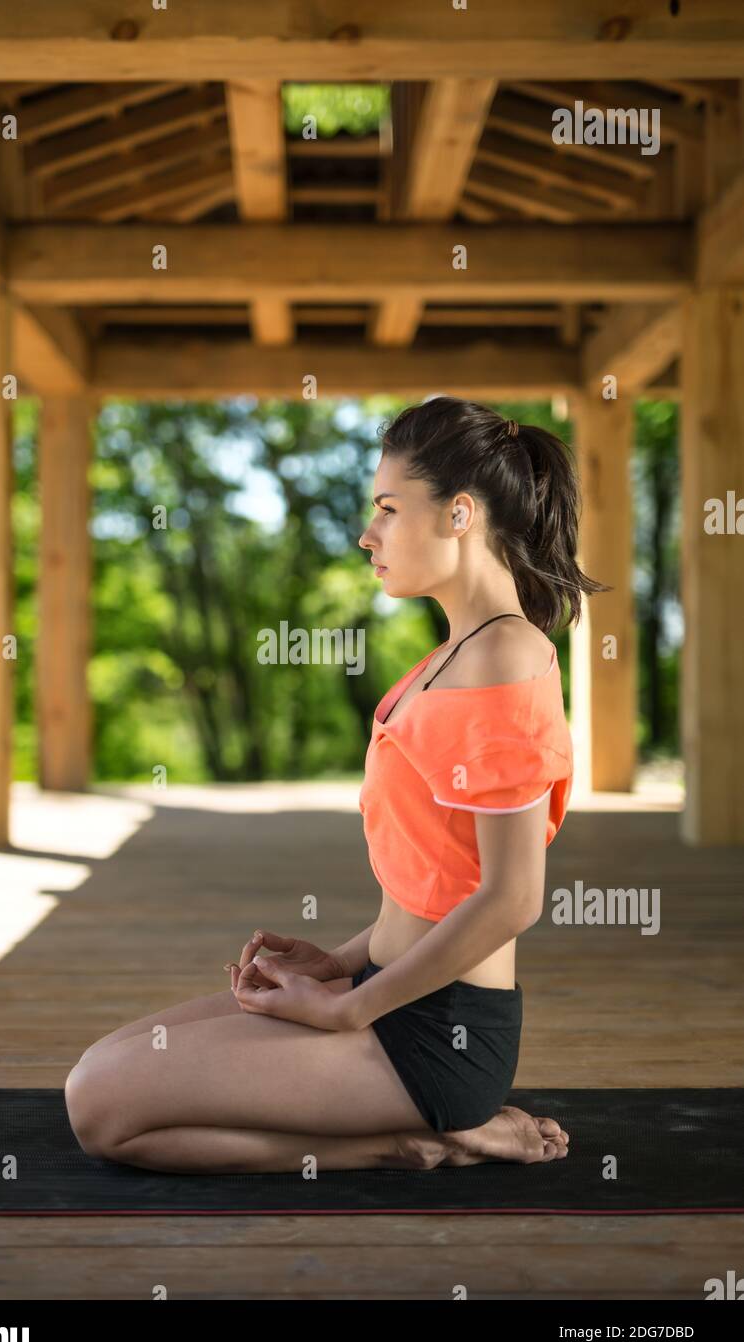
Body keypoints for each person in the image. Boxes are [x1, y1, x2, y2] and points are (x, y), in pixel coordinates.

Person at [65, 396, 608, 1175]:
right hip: (385, 988)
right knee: (108, 1061)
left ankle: (410, 1139)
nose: (368, 533)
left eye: (389, 509)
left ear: (459, 515)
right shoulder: (455, 654)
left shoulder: (506, 658)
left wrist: (348, 1008)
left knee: (101, 1109)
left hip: (433, 1035)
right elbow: (433, 887)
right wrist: (338, 964)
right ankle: (414, 1126)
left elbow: (513, 897)